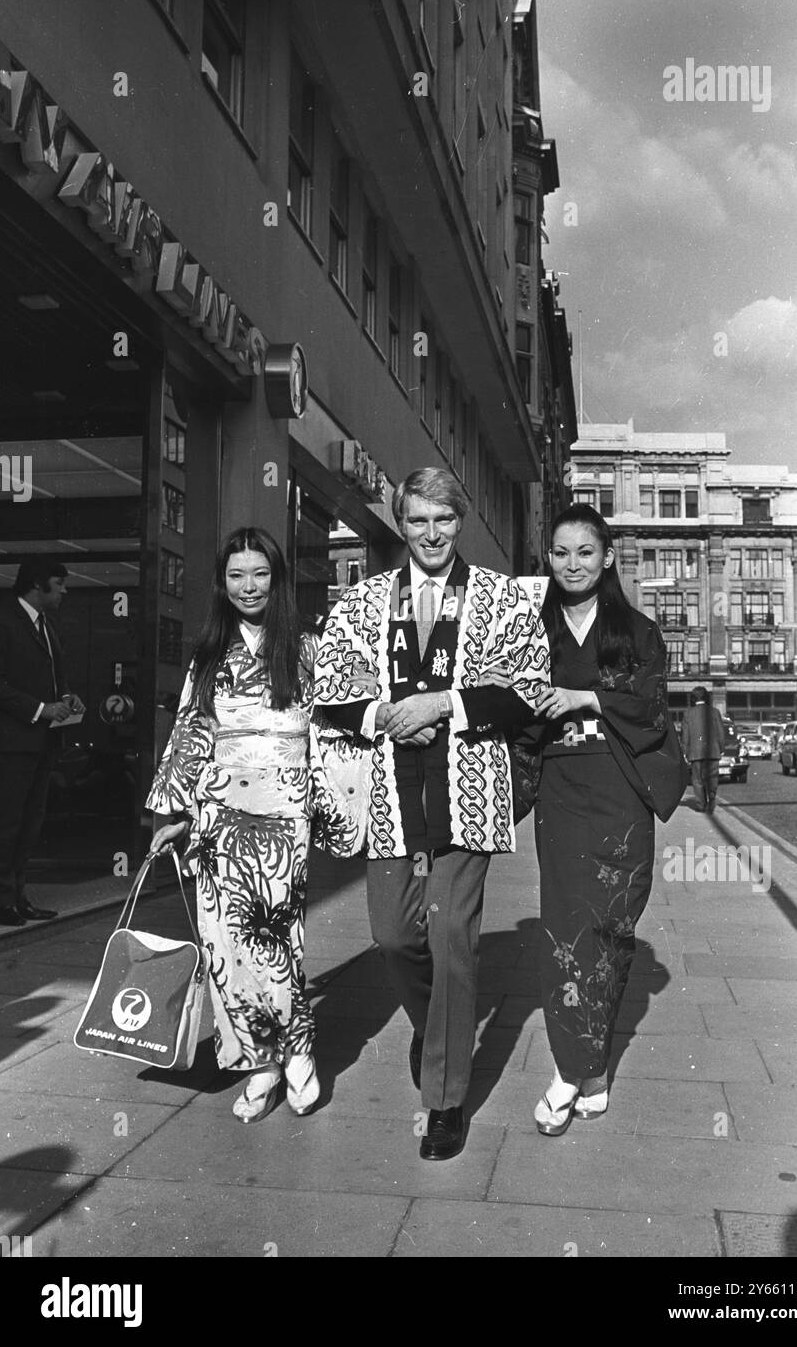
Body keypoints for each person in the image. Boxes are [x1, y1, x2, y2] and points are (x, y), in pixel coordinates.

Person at [315, 467, 548, 1161]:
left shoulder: (501, 598)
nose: (431, 533)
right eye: (417, 520)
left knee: (451, 939)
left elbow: (527, 688)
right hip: (389, 794)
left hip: (468, 793)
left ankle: (444, 1100)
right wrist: (385, 715)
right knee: (393, 936)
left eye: (443, 520)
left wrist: (445, 705)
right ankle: (434, 1025)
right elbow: (330, 691)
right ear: (399, 523)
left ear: (461, 520)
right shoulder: (363, 600)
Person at [147, 527, 319, 1123]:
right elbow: (192, 732)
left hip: (284, 808)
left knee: (274, 935)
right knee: (223, 944)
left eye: (260, 574)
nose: (249, 587)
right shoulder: (209, 654)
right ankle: (259, 1063)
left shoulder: (304, 647)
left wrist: (332, 808)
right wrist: (172, 812)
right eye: (236, 576)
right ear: (222, 584)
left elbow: (327, 734)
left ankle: (296, 1051)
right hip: (219, 810)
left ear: (278, 578)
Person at [529, 504, 681, 1134]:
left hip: (620, 792)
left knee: (614, 928)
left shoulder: (638, 631)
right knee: (565, 931)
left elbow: (650, 707)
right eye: (561, 553)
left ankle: (593, 1063)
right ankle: (571, 1072)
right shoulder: (531, 627)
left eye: (585, 552)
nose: (572, 565)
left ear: (608, 556)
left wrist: (587, 696)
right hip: (564, 789)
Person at [0, 558, 85, 927]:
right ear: (36, 585)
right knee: (7, 823)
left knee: (29, 824)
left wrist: (66, 696)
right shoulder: (0, 622)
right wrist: (41, 709)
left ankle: (16, 897)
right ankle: (0, 900)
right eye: (59, 583)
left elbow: (44, 678)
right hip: (11, 744)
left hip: (41, 743)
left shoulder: (45, 626)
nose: (64, 590)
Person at [680, 686, 726, 813]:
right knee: (712, 777)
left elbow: (685, 735)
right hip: (712, 751)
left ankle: (701, 805)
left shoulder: (688, 713)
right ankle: (711, 798)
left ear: (693, 699)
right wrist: (721, 747)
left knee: (697, 779)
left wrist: (685, 751)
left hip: (695, 752)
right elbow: (720, 732)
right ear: (706, 697)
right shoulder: (715, 712)